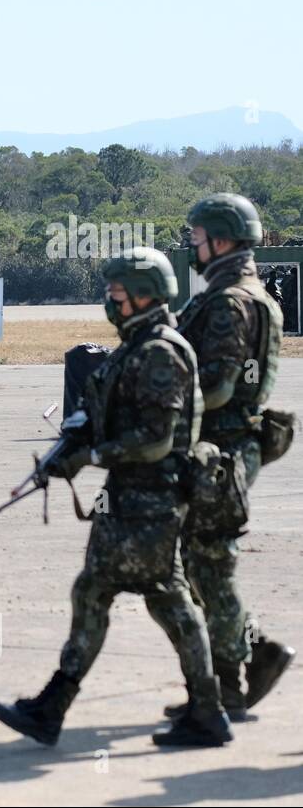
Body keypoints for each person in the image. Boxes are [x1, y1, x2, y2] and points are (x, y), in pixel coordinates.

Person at [0, 248, 232, 748]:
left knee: (145, 598)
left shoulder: (159, 352)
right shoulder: (137, 346)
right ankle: (200, 709)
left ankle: (58, 708)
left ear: (144, 295)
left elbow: (156, 438)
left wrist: (93, 454)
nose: (109, 302)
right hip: (133, 499)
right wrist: (74, 444)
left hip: (151, 501)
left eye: (116, 294)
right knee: (136, 597)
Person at [170, 194, 295, 721]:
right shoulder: (251, 295)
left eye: (197, 238)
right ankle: (253, 655)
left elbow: (218, 385)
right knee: (202, 565)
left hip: (218, 450)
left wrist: (159, 396)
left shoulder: (227, 303)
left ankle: (227, 688)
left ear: (220, 241)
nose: (191, 247)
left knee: (207, 567)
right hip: (229, 445)